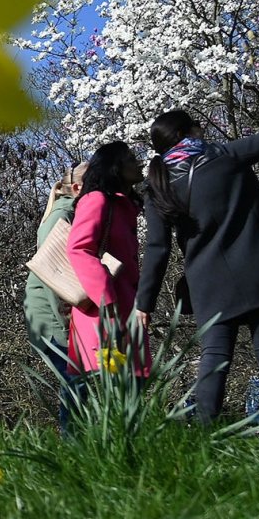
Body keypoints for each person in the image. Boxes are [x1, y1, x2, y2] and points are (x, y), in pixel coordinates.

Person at [137, 71, 259, 434]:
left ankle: (206, 442)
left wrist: (143, 303)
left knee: (213, 361)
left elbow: (157, 249)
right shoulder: (223, 157)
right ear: (188, 133)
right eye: (197, 127)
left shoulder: (158, 187)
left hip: (210, 285)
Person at [66, 142, 151, 380]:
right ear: (116, 167)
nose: (139, 163)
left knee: (129, 390)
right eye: (131, 159)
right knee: (110, 392)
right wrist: (107, 299)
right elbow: (79, 249)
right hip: (103, 313)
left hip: (121, 308)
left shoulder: (122, 205)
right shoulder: (97, 200)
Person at [24, 163, 87, 426]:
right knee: (75, 382)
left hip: (51, 313)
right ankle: (74, 445)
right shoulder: (63, 217)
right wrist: (66, 323)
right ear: (77, 188)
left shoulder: (68, 213)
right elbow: (53, 274)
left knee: (78, 382)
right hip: (49, 316)